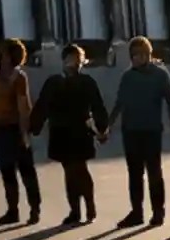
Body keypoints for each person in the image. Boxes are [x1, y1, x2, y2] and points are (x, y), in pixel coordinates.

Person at [30, 44, 110, 225]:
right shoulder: (54, 82)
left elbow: (97, 106)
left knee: (80, 169)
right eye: (70, 59)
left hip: (81, 132)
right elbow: (42, 105)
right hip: (60, 132)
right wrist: (34, 126)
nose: (73, 63)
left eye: (77, 60)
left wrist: (102, 128)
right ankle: (75, 210)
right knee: (69, 171)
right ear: (64, 61)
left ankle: (89, 204)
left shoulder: (87, 82)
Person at [109, 36, 170, 228]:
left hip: (151, 130)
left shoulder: (160, 74)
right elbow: (119, 103)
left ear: (148, 54)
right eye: (134, 56)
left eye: (140, 55)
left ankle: (158, 212)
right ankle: (137, 212)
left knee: (154, 172)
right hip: (130, 130)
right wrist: (108, 125)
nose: (137, 59)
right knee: (134, 173)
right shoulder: (128, 76)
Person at [0, 38, 41, 225]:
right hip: (0, 128)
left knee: (26, 171)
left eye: (2, 51)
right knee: (7, 170)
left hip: (16, 128)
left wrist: (25, 133)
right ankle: (12, 210)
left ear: (11, 55)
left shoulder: (19, 77)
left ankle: (34, 208)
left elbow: (23, 106)